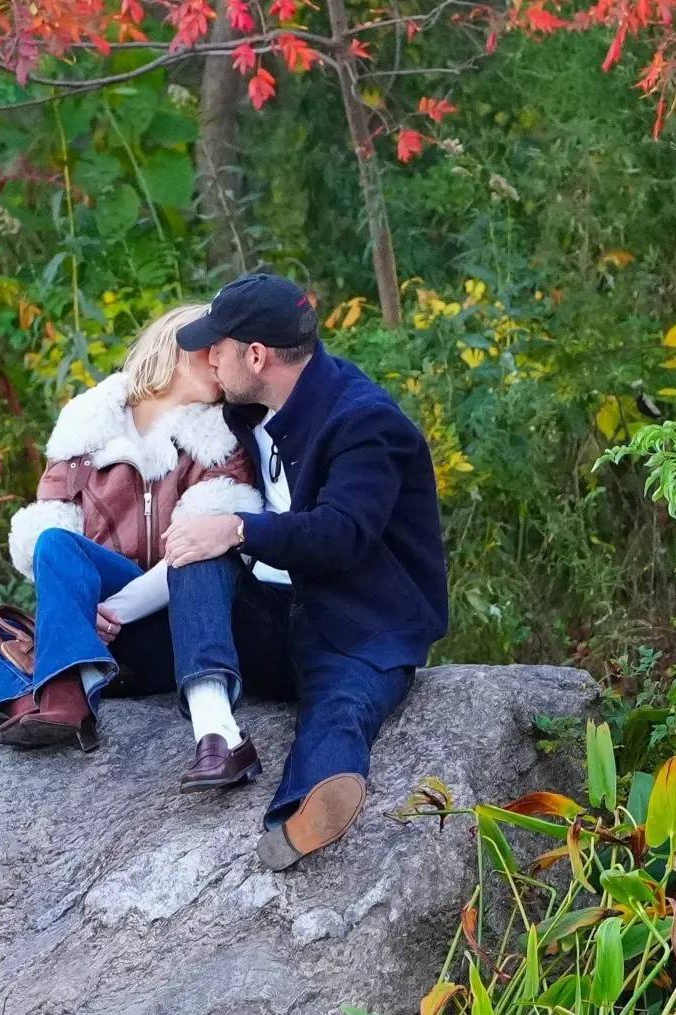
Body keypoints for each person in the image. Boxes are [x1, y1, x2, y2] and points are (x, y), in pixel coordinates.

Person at [158, 272, 449, 870]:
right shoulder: (249, 409)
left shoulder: (365, 422)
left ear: (256, 356)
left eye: (218, 348)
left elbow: (342, 533)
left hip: (361, 628)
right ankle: (217, 734)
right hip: (278, 615)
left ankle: (303, 815)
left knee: (341, 711)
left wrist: (240, 529)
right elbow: (145, 405)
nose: (209, 361)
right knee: (194, 547)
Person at [0, 304, 267, 766]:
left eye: (225, 351)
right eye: (209, 348)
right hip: (87, 632)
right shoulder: (83, 434)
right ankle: (34, 701)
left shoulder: (222, 441)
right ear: (172, 350)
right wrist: (73, 617)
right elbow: (46, 546)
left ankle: (64, 691)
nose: (219, 360)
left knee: (58, 544)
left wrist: (106, 612)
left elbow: (201, 553)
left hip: (169, 624)